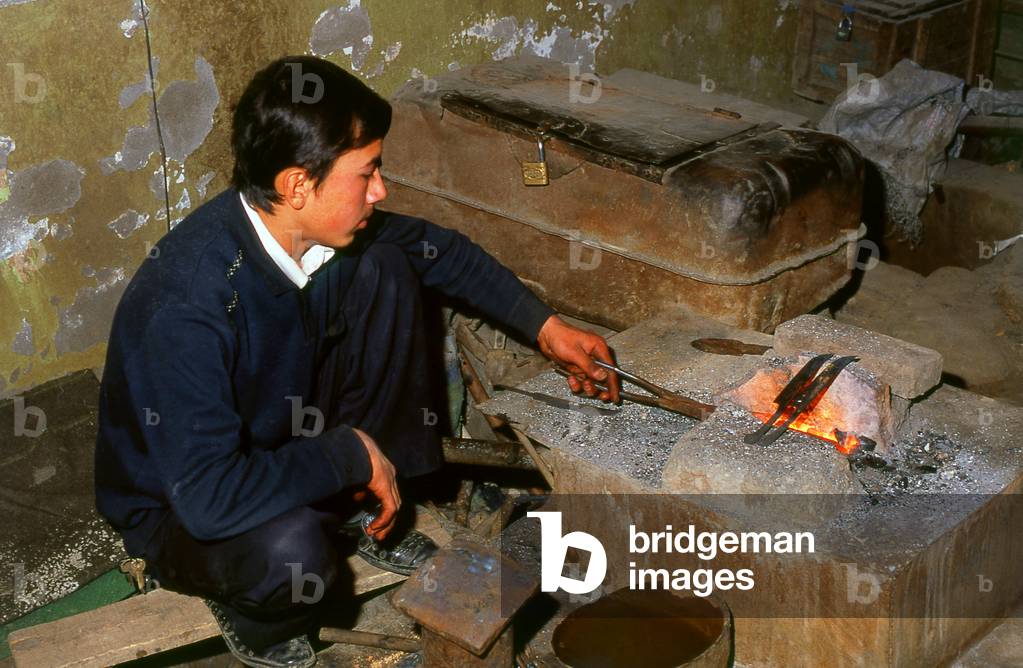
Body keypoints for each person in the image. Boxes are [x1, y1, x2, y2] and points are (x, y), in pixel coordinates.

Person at [94, 55, 619, 668]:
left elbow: (439, 251)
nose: (381, 190)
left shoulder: (299, 227)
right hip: (182, 507)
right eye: (367, 172)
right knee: (294, 554)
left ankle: (365, 513)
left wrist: (549, 329)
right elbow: (209, 497)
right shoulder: (187, 305)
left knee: (389, 269)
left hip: (275, 432)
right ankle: (255, 614)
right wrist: (346, 452)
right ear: (297, 184)